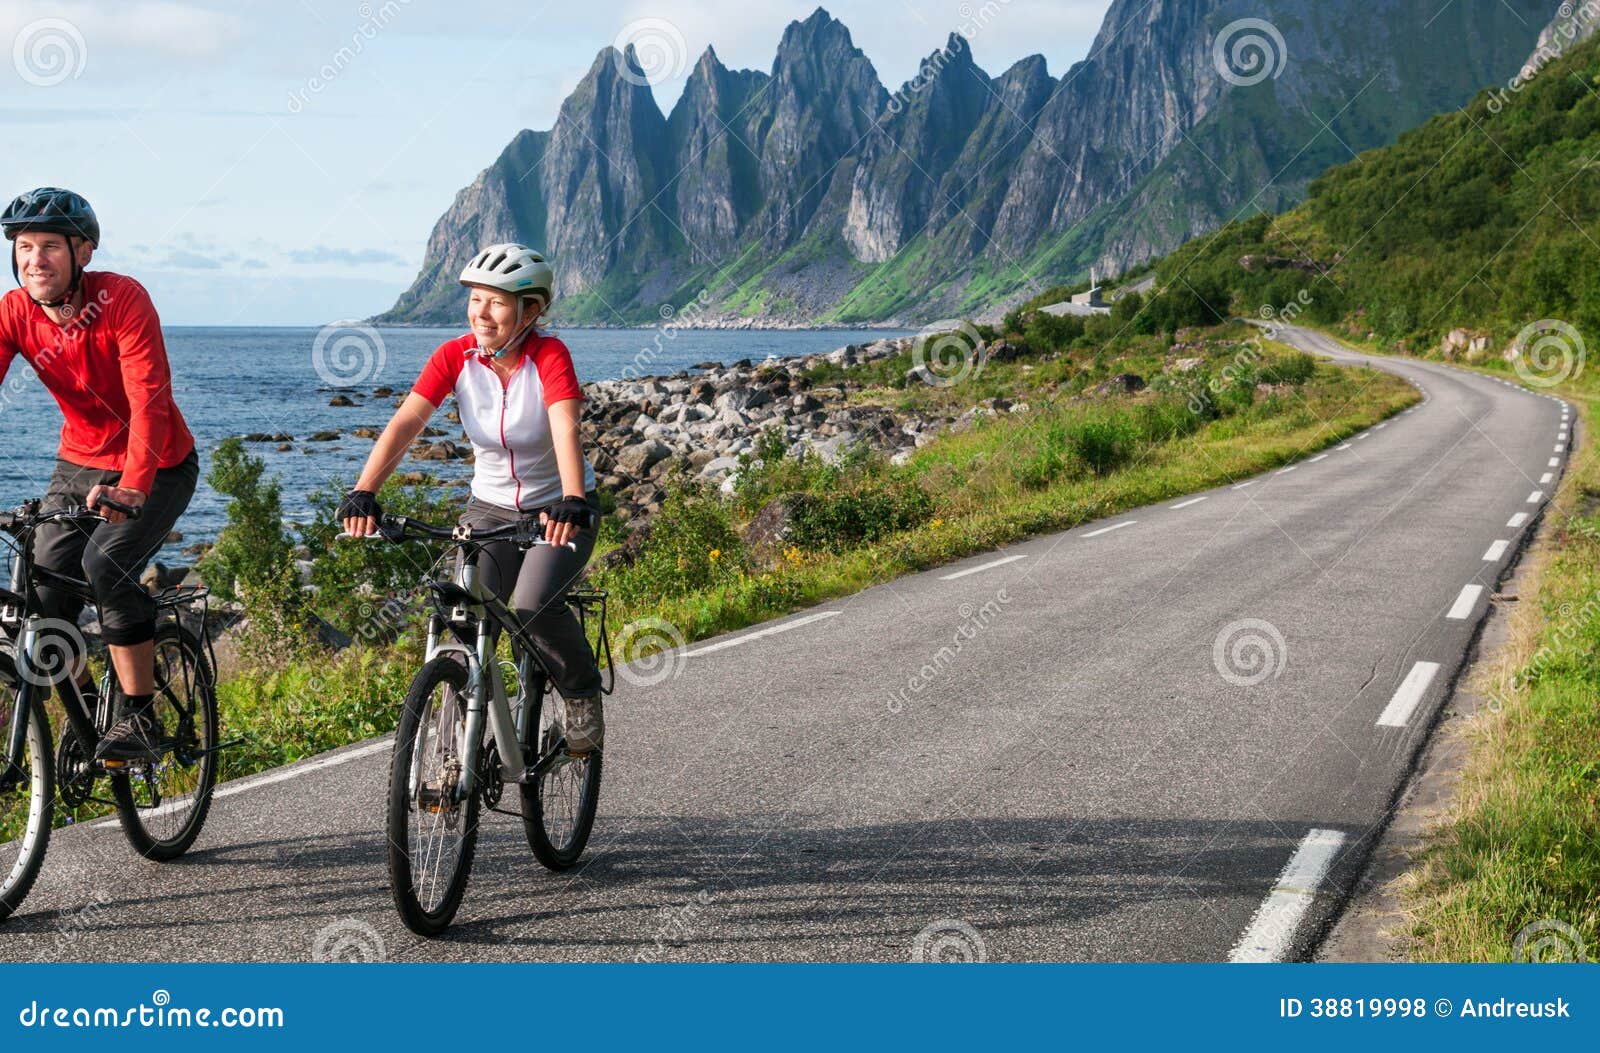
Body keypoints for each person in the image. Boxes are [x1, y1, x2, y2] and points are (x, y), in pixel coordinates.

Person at [337, 244, 606, 752]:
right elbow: (405, 425)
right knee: (463, 614)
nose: (481, 313)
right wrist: (364, 491)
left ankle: (580, 692)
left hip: (558, 508)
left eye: (497, 303)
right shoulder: (453, 357)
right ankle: (452, 749)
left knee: (531, 606)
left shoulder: (550, 357)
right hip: (489, 509)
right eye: (476, 299)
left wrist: (573, 497)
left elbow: (564, 427)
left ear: (531, 311)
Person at [0, 187, 199, 761]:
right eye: (24, 246)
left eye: (50, 247)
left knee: (105, 565)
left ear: (83, 252)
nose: (34, 259)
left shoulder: (123, 299)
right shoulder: (14, 312)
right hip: (79, 464)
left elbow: (149, 400)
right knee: (42, 594)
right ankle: (86, 706)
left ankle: (138, 715)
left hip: (158, 462)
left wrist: (135, 483)